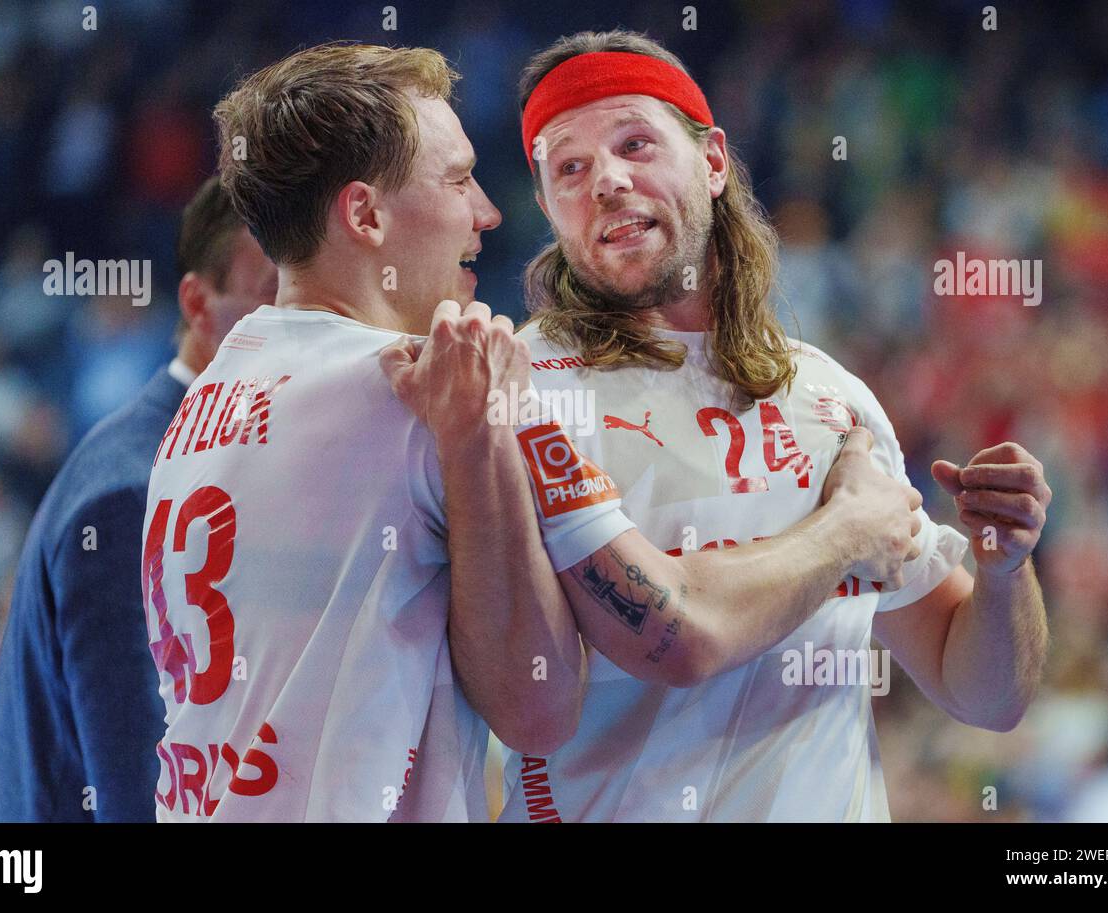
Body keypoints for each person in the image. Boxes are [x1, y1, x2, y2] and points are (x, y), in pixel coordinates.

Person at [151, 41, 922, 822]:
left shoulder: (201, 403)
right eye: (457, 180)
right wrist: (850, 527)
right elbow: (541, 704)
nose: (487, 211)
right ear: (364, 214)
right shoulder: (427, 394)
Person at [481, 30, 1052, 822]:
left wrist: (1003, 571)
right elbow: (674, 636)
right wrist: (848, 528)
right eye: (568, 169)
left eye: (635, 143)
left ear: (713, 161)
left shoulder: (832, 399)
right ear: (546, 209)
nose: (606, 180)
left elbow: (985, 694)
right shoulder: (520, 390)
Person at [0, 176, 277, 822]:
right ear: (197, 303)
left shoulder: (196, 466)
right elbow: (138, 799)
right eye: (274, 300)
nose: (306, 331)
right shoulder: (134, 491)